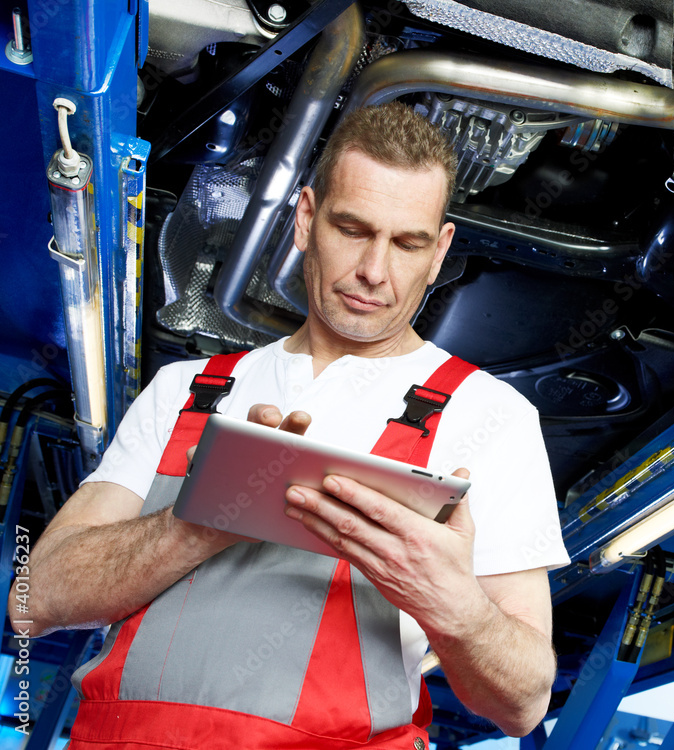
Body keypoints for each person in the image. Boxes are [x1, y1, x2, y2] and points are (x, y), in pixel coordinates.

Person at [13, 102, 570, 748]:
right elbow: (32, 597)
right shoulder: (186, 393)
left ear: (440, 251)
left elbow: (524, 704)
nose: (374, 271)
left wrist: (461, 614)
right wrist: (190, 528)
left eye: (408, 243)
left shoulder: (489, 417)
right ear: (306, 219)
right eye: (353, 229)